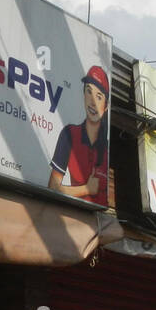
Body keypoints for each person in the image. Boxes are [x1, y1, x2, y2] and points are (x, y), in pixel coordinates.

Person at [49, 65, 110, 206]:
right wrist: (86, 189)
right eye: (89, 91)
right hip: (70, 215)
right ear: (83, 94)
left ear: (106, 106)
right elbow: (53, 186)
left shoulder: (107, 149)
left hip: (99, 223)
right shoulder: (69, 134)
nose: (92, 102)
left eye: (99, 97)